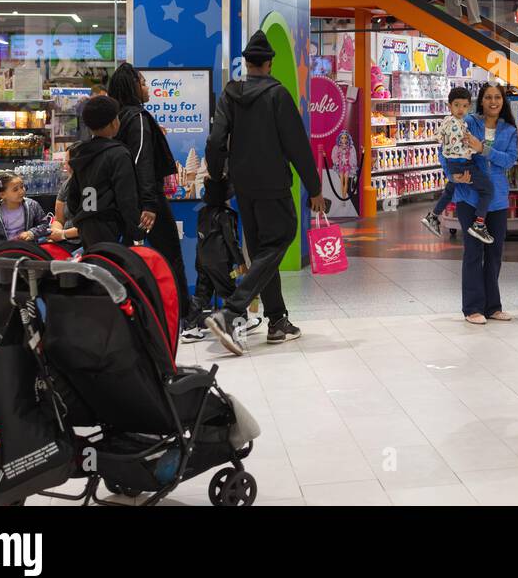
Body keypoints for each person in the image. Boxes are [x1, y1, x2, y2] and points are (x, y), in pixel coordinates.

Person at [204, 30, 326, 355]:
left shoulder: (230, 95)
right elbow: (297, 145)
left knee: (261, 252)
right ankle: (232, 312)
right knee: (282, 237)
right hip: (273, 184)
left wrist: (217, 178)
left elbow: (215, 142)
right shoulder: (278, 95)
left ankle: (277, 320)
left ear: (246, 62)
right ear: (269, 62)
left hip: (243, 186)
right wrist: (314, 188)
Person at [108, 63, 189, 316]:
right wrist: (150, 204)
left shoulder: (116, 120)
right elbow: (142, 161)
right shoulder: (138, 118)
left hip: (121, 200)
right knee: (170, 255)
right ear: (132, 87)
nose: (147, 87)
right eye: (142, 82)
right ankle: (183, 311)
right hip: (147, 201)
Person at [439, 84, 518, 325]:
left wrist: (483, 149)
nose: (493, 101)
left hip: (497, 200)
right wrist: (451, 175)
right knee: (473, 252)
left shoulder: (509, 130)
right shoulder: (469, 122)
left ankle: (493, 306)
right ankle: (473, 307)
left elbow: (509, 161)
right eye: (488, 97)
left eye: (497, 97)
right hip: (469, 197)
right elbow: (444, 151)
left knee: (494, 254)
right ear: (480, 101)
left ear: (503, 102)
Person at [66, 95, 144, 248]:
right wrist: (136, 231)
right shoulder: (119, 154)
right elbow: (127, 197)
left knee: (94, 267)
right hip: (111, 226)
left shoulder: (80, 153)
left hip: (86, 226)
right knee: (113, 269)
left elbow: (72, 197)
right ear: (113, 122)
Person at [420, 87, 495, 245]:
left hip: (453, 164)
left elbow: (438, 137)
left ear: (469, 106)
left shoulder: (450, 121)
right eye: (457, 105)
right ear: (449, 106)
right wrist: (476, 147)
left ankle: (433, 216)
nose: (461, 109)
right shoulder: (457, 124)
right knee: (487, 189)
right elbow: (458, 147)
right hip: (462, 164)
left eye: (464, 106)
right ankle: (479, 224)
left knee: (451, 189)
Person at [0, 172, 53, 251]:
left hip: (28, 250)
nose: (21, 191)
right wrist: (5, 245)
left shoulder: (32, 205)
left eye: (22, 187)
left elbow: (44, 224)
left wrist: (31, 233)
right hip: (3, 253)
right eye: (15, 189)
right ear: (2, 195)